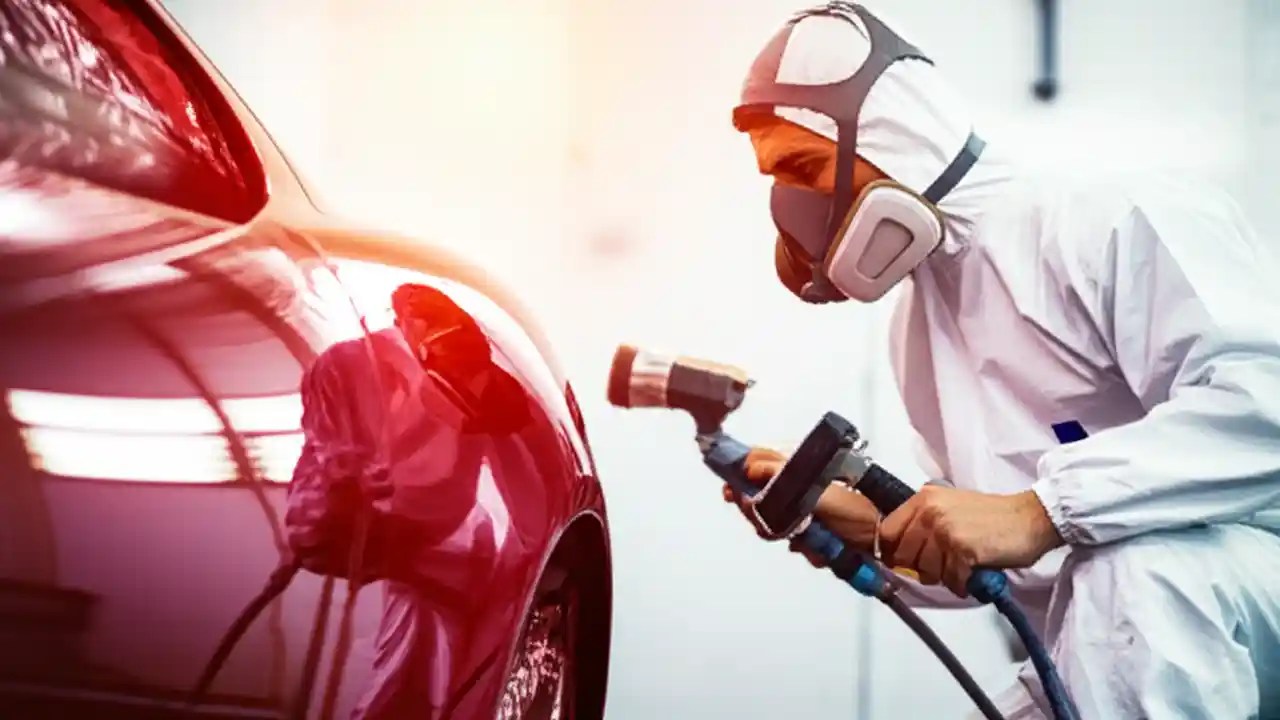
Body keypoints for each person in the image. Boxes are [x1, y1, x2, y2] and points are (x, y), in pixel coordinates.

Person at [721, 3, 1280, 717]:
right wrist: (874, 532)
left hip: (1229, 591)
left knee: (1138, 576)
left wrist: (1043, 509)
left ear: (891, 135)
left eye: (803, 168)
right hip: (1130, 640)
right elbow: (1016, 564)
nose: (793, 209)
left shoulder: (1102, 214)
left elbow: (1266, 399)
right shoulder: (919, 327)